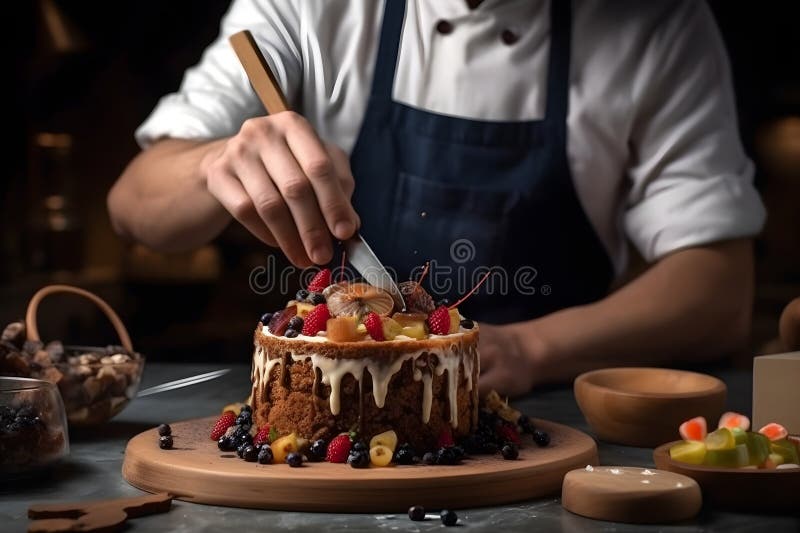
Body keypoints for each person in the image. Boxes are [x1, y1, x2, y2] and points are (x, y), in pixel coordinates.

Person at [108, 0, 766, 397]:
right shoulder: (310, 8)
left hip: (553, 426)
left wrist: (529, 349)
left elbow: (717, 292)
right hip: (332, 427)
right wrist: (215, 164)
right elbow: (135, 203)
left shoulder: (659, 21)